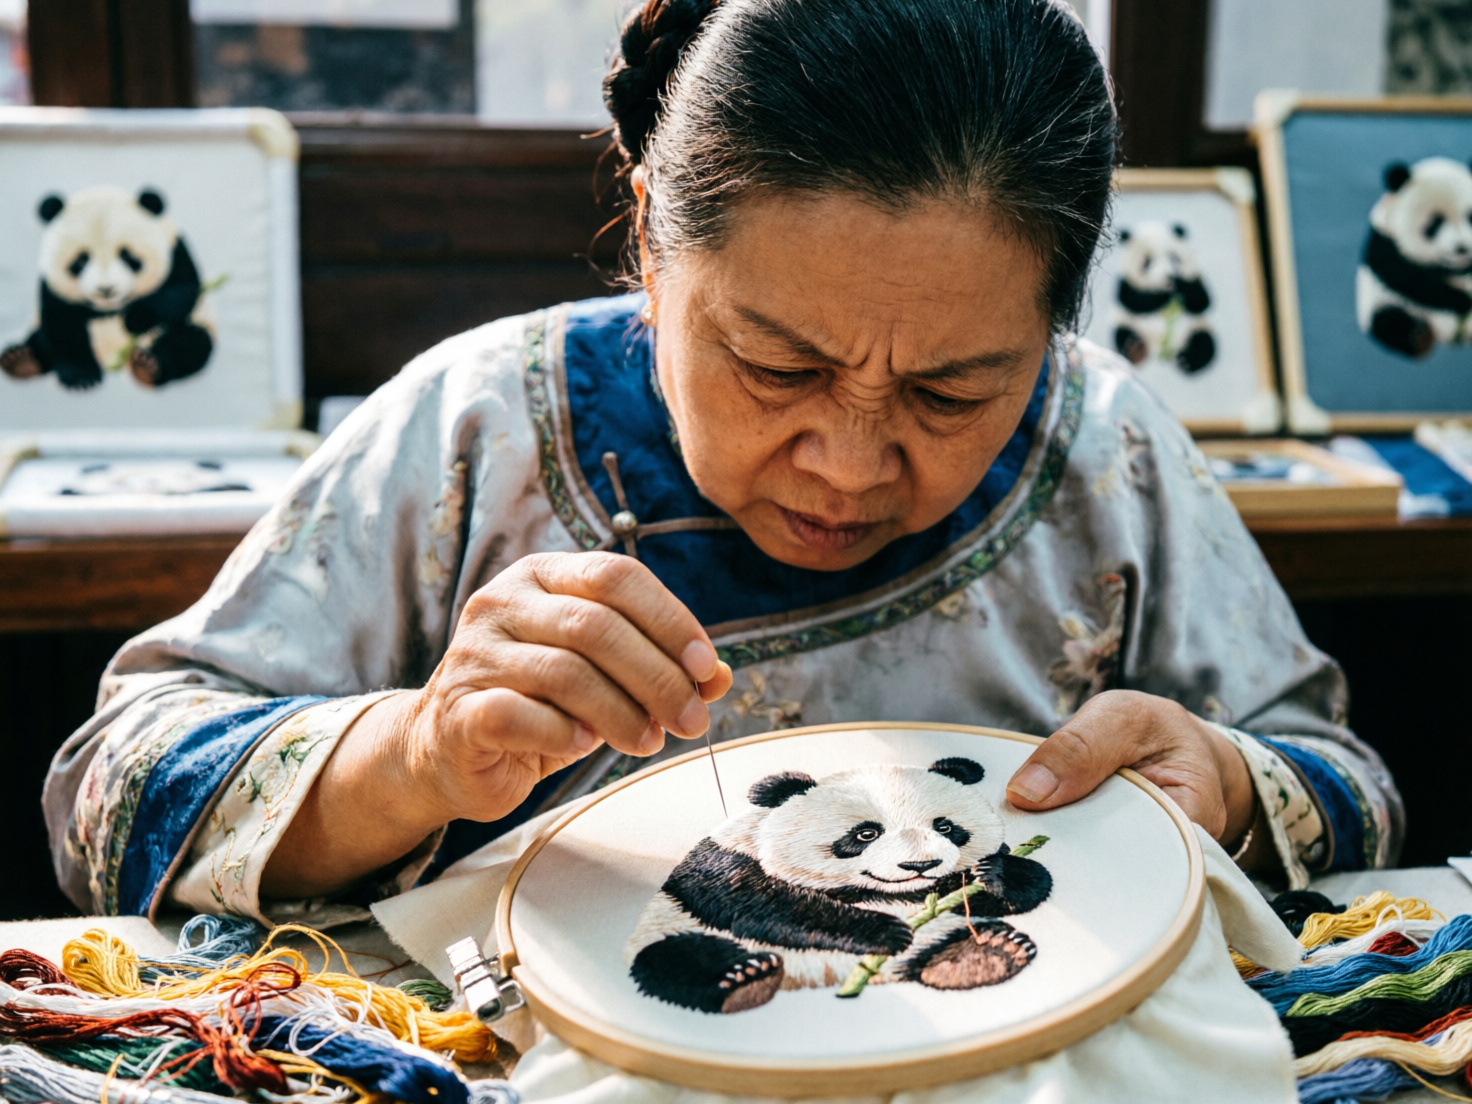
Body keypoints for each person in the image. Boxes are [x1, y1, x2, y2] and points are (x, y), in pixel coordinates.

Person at [46, 0, 1399, 920]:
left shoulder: (1106, 447)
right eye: (777, 367)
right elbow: (106, 800)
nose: (850, 465)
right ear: (650, 241)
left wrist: (1231, 787)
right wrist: (412, 758)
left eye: (951, 390)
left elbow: (1348, 782)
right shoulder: (474, 432)